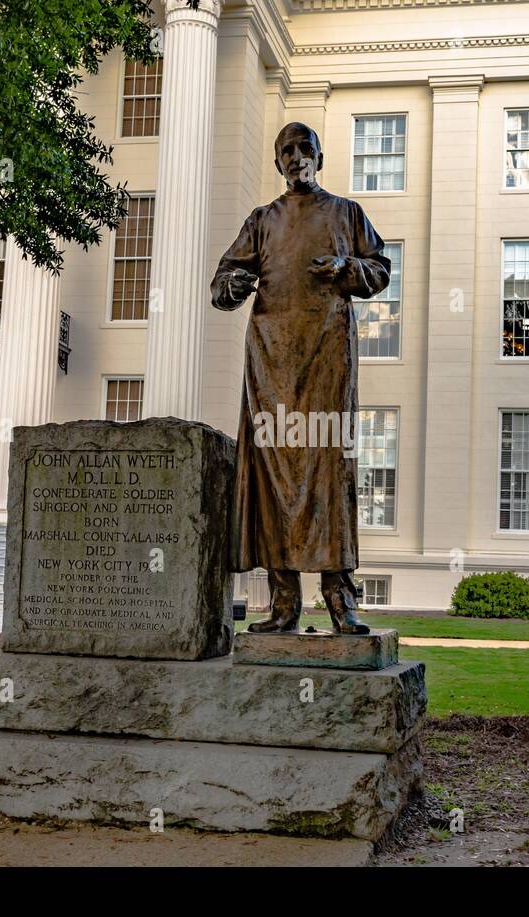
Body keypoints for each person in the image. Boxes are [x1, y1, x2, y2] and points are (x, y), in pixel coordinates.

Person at [211, 122, 391, 635]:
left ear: (318, 156)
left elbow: (379, 270)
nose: (296, 158)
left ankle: (341, 601)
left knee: (329, 469)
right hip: (270, 361)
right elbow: (221, 283)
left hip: (327, 356)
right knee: (272, 472)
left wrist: (346, 267)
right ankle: (284, 602)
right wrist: (234, 284)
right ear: (278, 162)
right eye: (286, 151)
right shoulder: (262, 221)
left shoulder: (346, 213)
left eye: (304, 149)